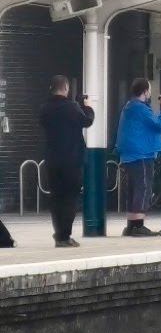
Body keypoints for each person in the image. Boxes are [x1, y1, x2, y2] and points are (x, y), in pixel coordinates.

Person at [39, 75, 95, 247]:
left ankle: (58, 234)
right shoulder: (72, 107)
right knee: (71, 198)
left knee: (56, 198)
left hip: (52, 160)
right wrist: (87, 107)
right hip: (71, 160)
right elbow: (87, 121)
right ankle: (65, 235)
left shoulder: (44, 109)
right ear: (65, 88)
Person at [116, 78, 161, 237]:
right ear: (145, 91)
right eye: (149, 90)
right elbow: (158, 124)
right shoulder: (141, 109)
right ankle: (138, 226)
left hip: (128, 155)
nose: (150, 93)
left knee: (133, 189)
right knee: (144, 188)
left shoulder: (128, 107)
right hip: (142, 154)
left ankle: (131, 225)